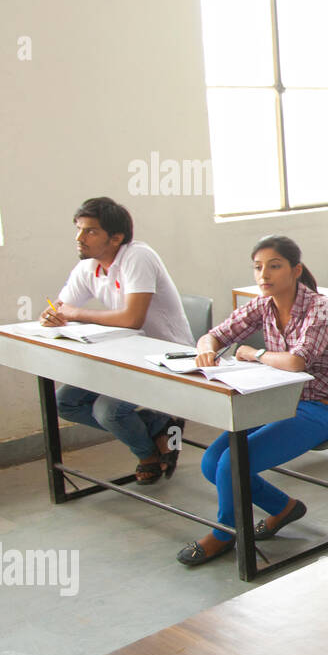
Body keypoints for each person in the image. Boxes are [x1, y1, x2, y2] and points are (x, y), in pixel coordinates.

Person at [178, 236, 328, 566]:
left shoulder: (319, 307)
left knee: (232, 464)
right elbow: (216, 334)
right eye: (258, 267)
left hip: (324, 406)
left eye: (274, 266)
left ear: (295, 270)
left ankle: (225, 533)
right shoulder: (263, 304)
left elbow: (297, 362)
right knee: (210, 462)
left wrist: (254, 353)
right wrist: (206, 348)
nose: (264, 275)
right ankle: (284, 508)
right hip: (276, 399)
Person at [39, 197, 193, 485]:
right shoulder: (88, 266)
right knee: (64, 402)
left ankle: (147, 456)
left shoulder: (138, 256)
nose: (80, 238)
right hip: (125, 355)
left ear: (116, 238)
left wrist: (74, 313)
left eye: (90, 231)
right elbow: (60, 307)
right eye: (79, 229)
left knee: (108, 411)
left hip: (167, 358)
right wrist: (53, 316)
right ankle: (160, 426)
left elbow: (131, 318)